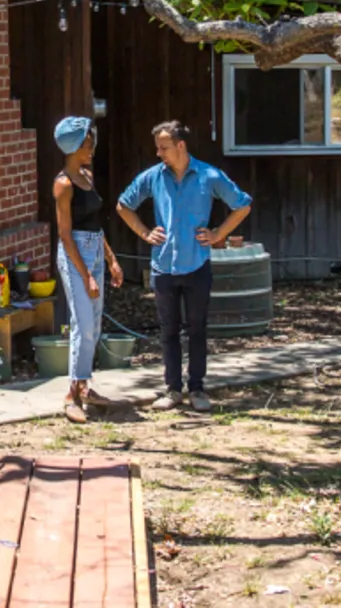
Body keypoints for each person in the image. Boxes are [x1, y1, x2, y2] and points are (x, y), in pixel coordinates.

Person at [117, 120, 252, 413]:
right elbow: (123, 205)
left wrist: (218, 234)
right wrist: (144, 232)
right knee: (168, 331)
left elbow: (242, 204)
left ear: (181, 145)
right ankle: (173, 389)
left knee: (198, 329)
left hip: (196, 264)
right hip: (163, 266)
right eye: (157, 147)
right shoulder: (154, 177)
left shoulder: (208, 175)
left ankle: (198, 389)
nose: (159, 153)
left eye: (164, 147)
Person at [52, 116, 124, 424]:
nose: (91, 148)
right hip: (75, 255)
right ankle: (71, 394)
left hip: (94, 248)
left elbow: (96, 225)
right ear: (72, 146)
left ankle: (84, 386)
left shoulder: (87, 176)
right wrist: (87, 275)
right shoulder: (63, 184)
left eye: (91, 142)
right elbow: (65, 235)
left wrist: (111, 259)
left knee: (93, 324)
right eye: (86, 143)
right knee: (82, 324)